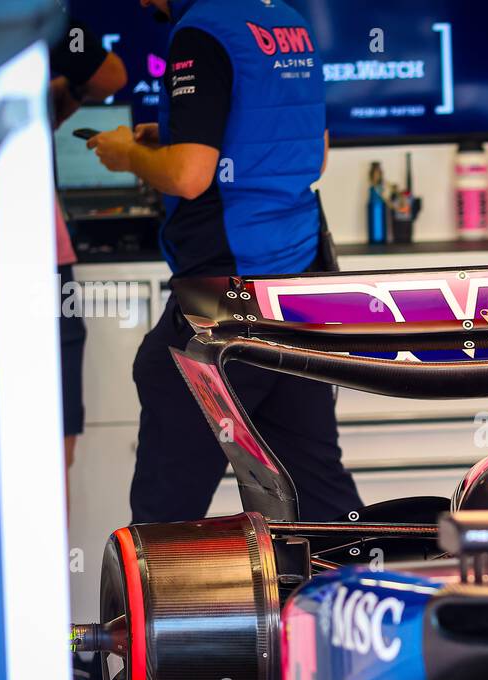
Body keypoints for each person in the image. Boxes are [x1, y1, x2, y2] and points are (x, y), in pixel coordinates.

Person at [87, 0, 362, 524]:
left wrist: (127, 155)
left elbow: (190, 177)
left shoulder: (199, 33)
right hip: (299, 289)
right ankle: (353, 599)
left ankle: (159, 602)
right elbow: (312, 153)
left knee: (167, 512)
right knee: (314, 493)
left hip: (227, 295)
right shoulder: (289, 24)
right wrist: (171, 137)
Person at [48, 12, 127, 490]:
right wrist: (62, 100)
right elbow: (111, 75)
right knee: (56, 441)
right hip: (37, 250)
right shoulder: (41, 15)